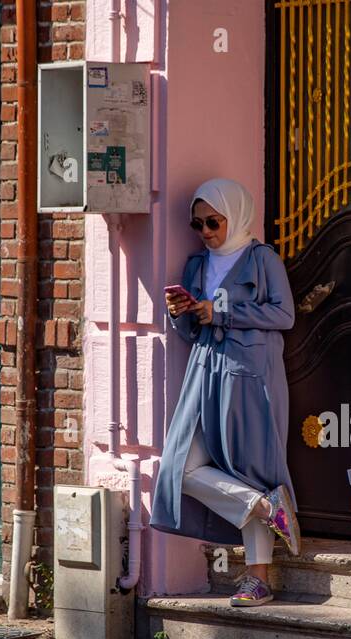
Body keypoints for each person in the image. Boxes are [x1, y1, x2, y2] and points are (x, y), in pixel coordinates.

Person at [150, 178, 300, 607]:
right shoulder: (197, 265)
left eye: (213, 222)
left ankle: (258, 580)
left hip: (249, 372)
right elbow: (191, 330)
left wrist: (221, 311)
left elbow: (284, 314)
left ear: (234, 216)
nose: (206, 232)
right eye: (197, 224)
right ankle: (265, 507)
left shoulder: (260, 259)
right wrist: (182, 313)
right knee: (180, 467)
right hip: (203, 369)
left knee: (250, 466)